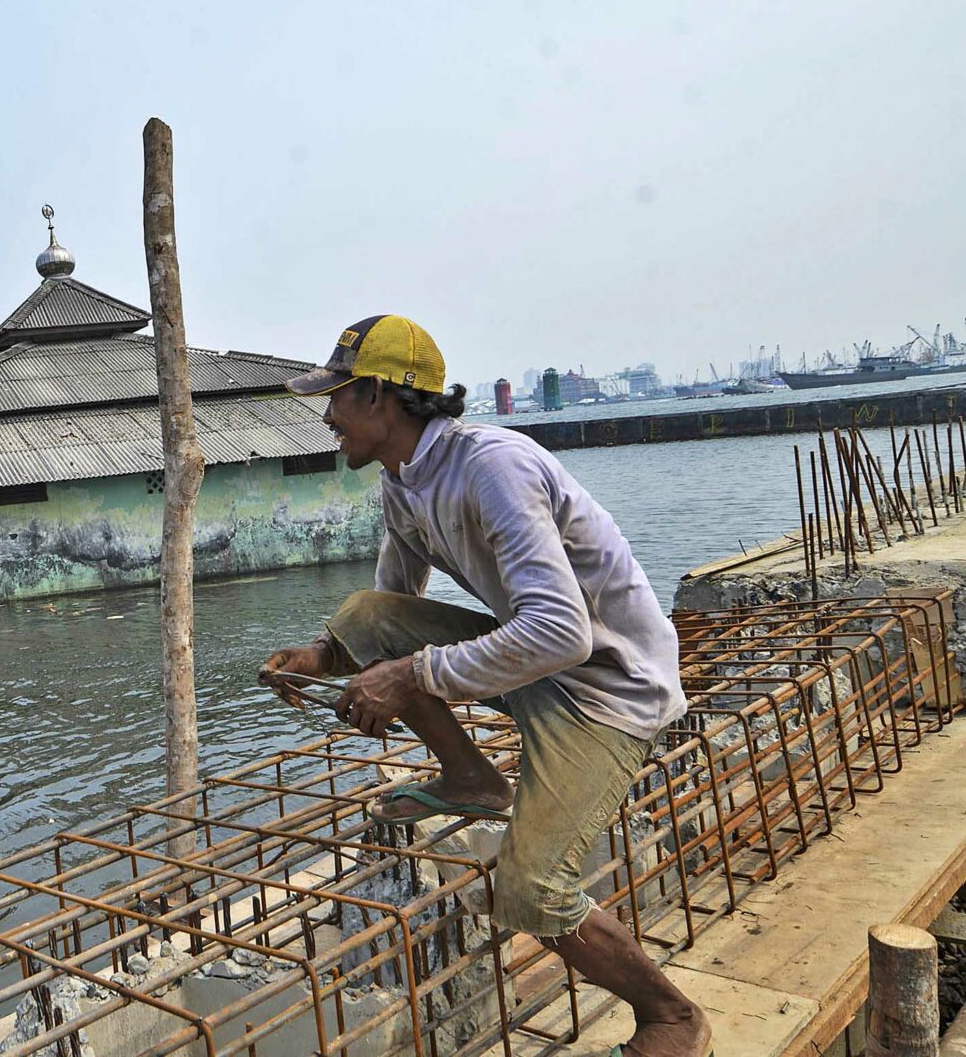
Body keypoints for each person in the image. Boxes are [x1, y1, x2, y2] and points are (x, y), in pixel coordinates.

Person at [257, 315, 708, 1057]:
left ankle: (671, 1017)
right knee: (368, 614)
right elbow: (389, 609)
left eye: (335, 397)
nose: (327, 416)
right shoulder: (404, 480)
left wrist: (410, 676)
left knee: (531, 895)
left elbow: (562, 631)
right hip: (537, 664)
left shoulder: (492, 466)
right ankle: (470, 777)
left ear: (378, 397)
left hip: (607, 690)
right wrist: (319, 658)